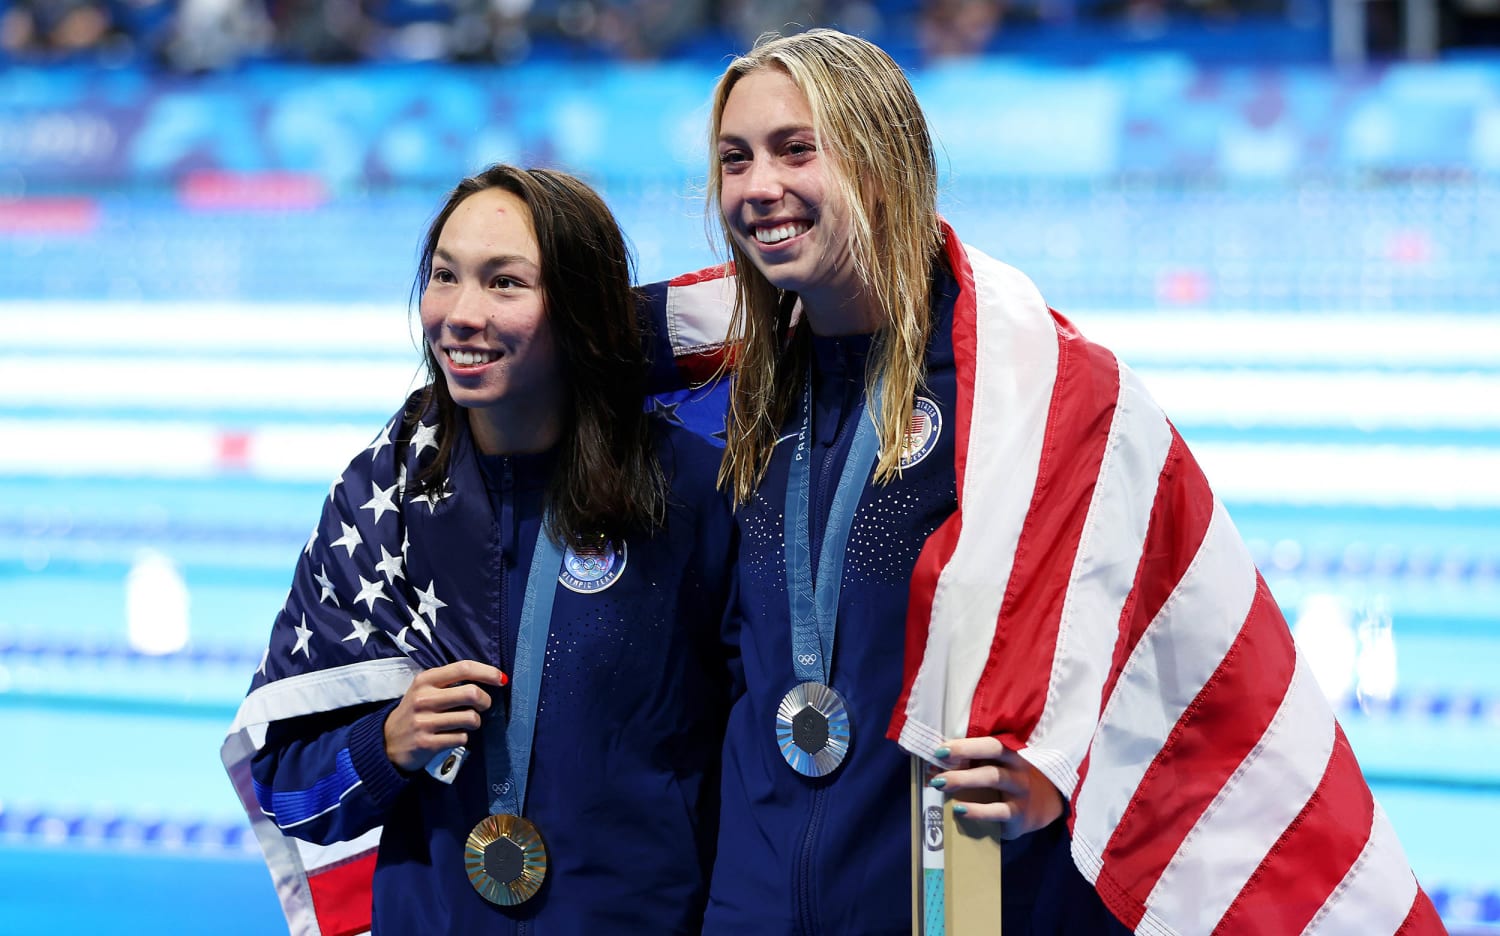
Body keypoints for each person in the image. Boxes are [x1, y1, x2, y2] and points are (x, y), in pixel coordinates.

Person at [645, 27, 1444, 934]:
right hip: (754, 900)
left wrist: (1063, 763)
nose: (759, 188)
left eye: (797, 150)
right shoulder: (729, 388)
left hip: (944, 897)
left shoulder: (1031, 397)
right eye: (734, 160)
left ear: (879, 163)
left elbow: (1157, 648)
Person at [220, 164, 736, 935]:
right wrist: (384, 744)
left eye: (505, 283)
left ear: (580, 309)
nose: (461, 314)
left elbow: (756, 762)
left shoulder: (686, 493)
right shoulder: (382, 504)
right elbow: (288, 796)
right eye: (444, 276)